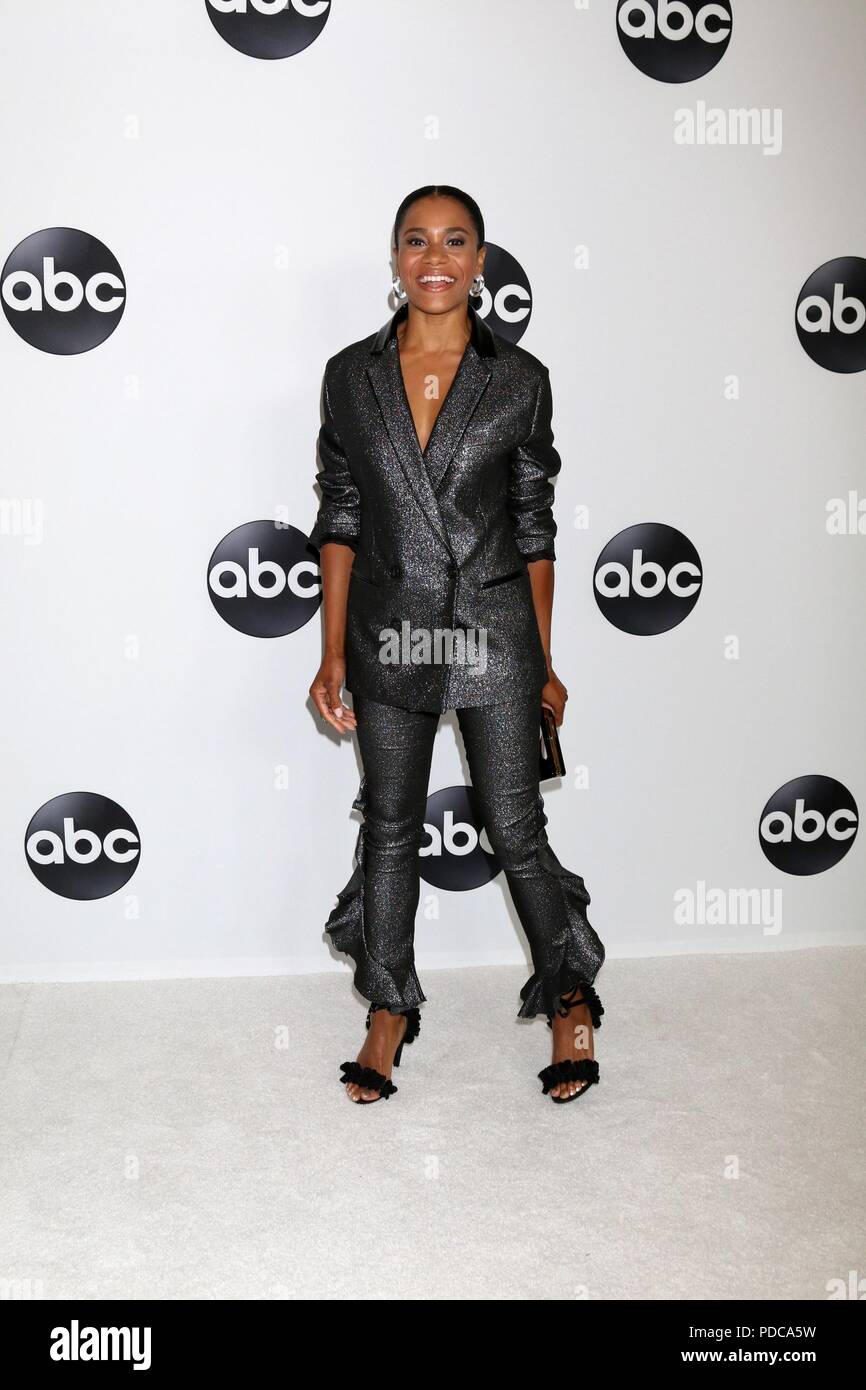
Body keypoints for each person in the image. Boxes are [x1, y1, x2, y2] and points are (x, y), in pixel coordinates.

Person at [308, 184, 605, 1105]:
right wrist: (329, 655)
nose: (433, 257)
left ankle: (568, 995)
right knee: (391, 827)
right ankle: (389, 1005)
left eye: (455, 240)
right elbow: (341, 516)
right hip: (389, 630)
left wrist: (545, 664)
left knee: (517, 829)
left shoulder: (520, 380)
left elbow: (534, 527)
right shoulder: (349, 375)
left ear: (481, 260)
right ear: (394, 259)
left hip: (492, 631)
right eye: (414, 240)